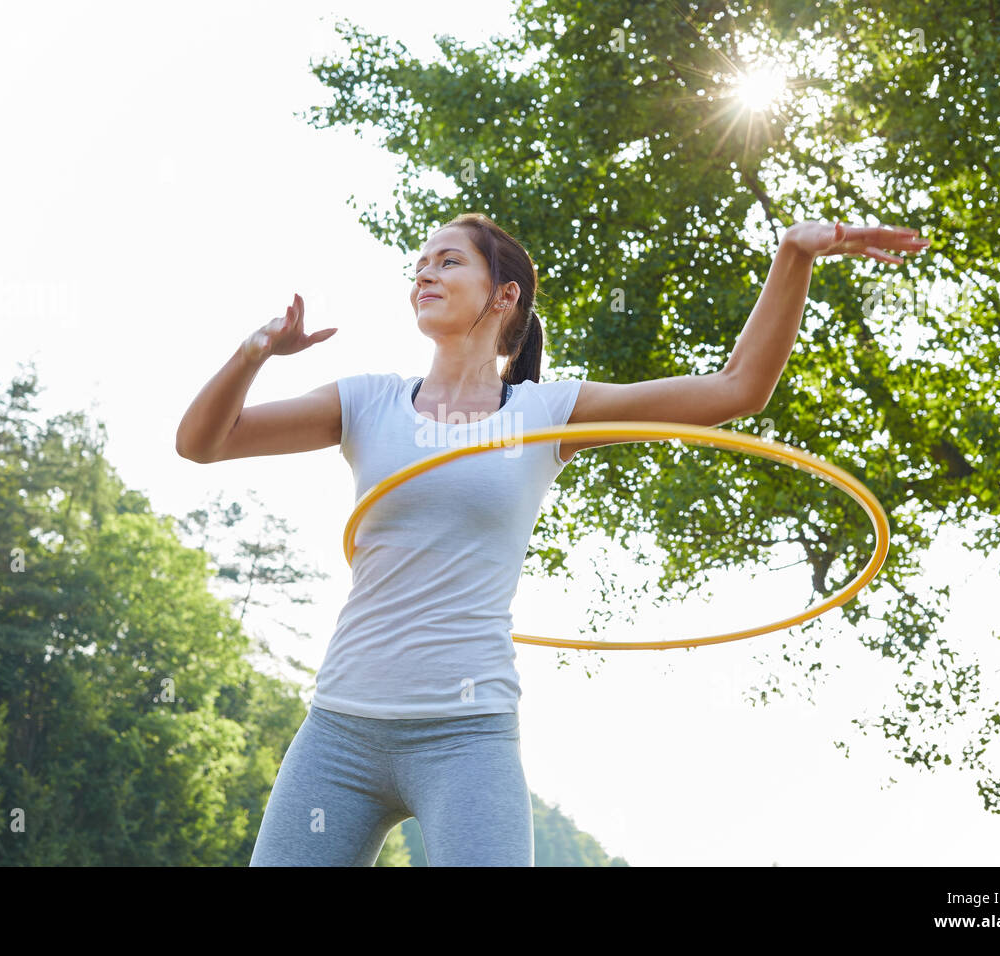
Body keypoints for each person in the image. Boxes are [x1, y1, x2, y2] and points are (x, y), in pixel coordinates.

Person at [175, 212, 928, 866]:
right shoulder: (364, 401)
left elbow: (736, 390)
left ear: (505, 296)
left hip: (465, 737)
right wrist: (254, 353)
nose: (424, 276)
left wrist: (792, 256)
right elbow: (204, 443)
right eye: (418, 266)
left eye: (447, 261)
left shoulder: (548, 411)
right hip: (340, 729)